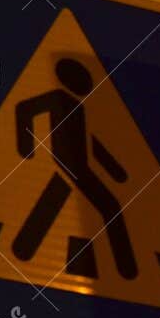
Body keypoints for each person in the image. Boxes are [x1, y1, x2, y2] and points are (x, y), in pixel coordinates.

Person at [11, 56, 138, 279]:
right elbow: (25, 109)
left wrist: (116, 171)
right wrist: (26, 149)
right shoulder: (58, 98)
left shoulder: (77, 106)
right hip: (69, 164)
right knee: (110, 207)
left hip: (76, 165)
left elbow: (90, 143)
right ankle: (127, 270)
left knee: (50, 204)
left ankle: (21, 250)